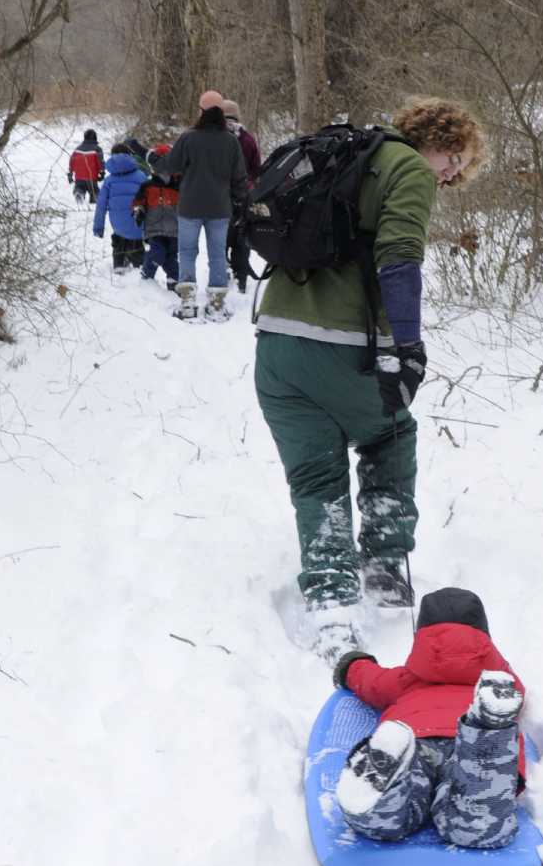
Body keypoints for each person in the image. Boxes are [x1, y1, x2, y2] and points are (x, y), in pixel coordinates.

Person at [254, 97, 486, 662]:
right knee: (390, 435)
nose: (450, 174)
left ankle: (331, 604)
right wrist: (407, 347)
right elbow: (400, 259)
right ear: (436, 139)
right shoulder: (408, 169)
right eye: (454, 159)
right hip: (342, 348)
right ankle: (384, 570)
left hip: (276, 347)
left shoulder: (347, 156)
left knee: (315, 476)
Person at [332, 587, 526, 849]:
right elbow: (518, 691)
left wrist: (352, 664)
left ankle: (384, 785)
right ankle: (486, 753)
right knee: (472, 809)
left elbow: (371, 682)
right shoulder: (493, 681)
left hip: (415, 740)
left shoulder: (407, 678)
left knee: (403, 803)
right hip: (467, 744)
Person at [149, 89, 248, 320]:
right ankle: (216, 304)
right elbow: (240, 178)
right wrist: (240, 201)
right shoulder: (231, 141)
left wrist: (152, 159)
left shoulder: (189, 138)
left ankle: (188, 301)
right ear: (222, 113)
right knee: (217, 254)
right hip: (220, 208)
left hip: (190, 207)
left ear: (201, 111)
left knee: (187, 252)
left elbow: (170, 166)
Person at [223, 99, 261, 294]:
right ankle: (241, 278)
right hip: (244, 194)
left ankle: (220, 273)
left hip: (220, 195)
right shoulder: (247, 138)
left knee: (220, 237)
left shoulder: (216, 137)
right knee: (241, 237)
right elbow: (256, 168)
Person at [131, 144, 180, 291]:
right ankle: (146, 277)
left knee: (171, 259)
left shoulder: (179, 186)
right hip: (154, 229)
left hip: (175, 230)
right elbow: (138, 201)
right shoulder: (147, 186)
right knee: (157, 253)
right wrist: (138, 210)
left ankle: (174, 283)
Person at [93, 144, 148, 273]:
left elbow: (101, 206)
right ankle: (139, 267)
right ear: (130, 156)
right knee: (136, 243)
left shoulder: (109, 181)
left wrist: (98, 227)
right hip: (138, 223)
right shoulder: (141, 176)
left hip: (118, 225)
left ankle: (119, 264)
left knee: (119, 238)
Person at [68, 128, 104, 205]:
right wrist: (102, 173)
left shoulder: (77, 149)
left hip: (79, 176)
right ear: (95, 138)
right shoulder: (97, 149)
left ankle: (79, 192)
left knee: (79, 187)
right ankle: (95, 199)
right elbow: (100, 162)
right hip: (92, 177)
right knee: (95, 191)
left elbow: (71, 162)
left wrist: (70, 174)